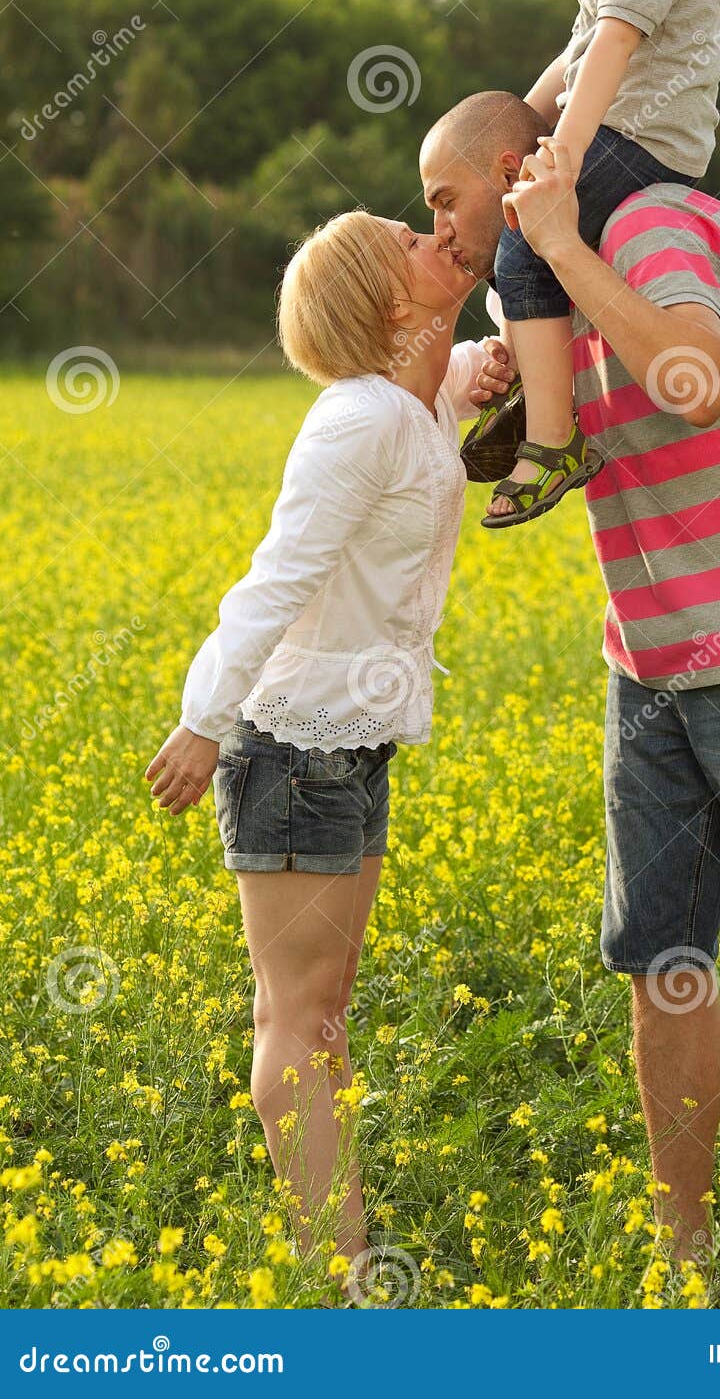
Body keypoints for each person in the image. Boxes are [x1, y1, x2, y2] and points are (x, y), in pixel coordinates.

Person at [420, 97, 720, 1307]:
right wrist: (491, 379)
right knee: (664, 967)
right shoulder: (544, 279)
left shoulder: (652, 221)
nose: (442, 225)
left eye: (444, 201)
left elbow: (692, 379)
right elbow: (565, 432)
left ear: (504, 170)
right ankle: (681, 1262)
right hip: (647, 664)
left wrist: (563, 249)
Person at [144, 210, 495, 1297]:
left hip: (351, 745)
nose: (420, 224)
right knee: (293, 1021)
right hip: (288, 744)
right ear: (383, 303)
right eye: (401, 235)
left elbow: (480, 357)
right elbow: (277, 576)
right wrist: (205, 718)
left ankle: (339, 1246)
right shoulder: (357, 421)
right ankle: (331, 1271)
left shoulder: (412, 401)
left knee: (323, 1012)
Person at [477, 0, 720, 528]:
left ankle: (552, 438)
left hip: (639, 136)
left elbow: (614, 46)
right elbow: (575, 52)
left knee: (525, 243)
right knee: (510, 243)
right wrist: (510, 130)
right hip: (622, 129)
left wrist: (565, 154)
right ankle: (536, 386)